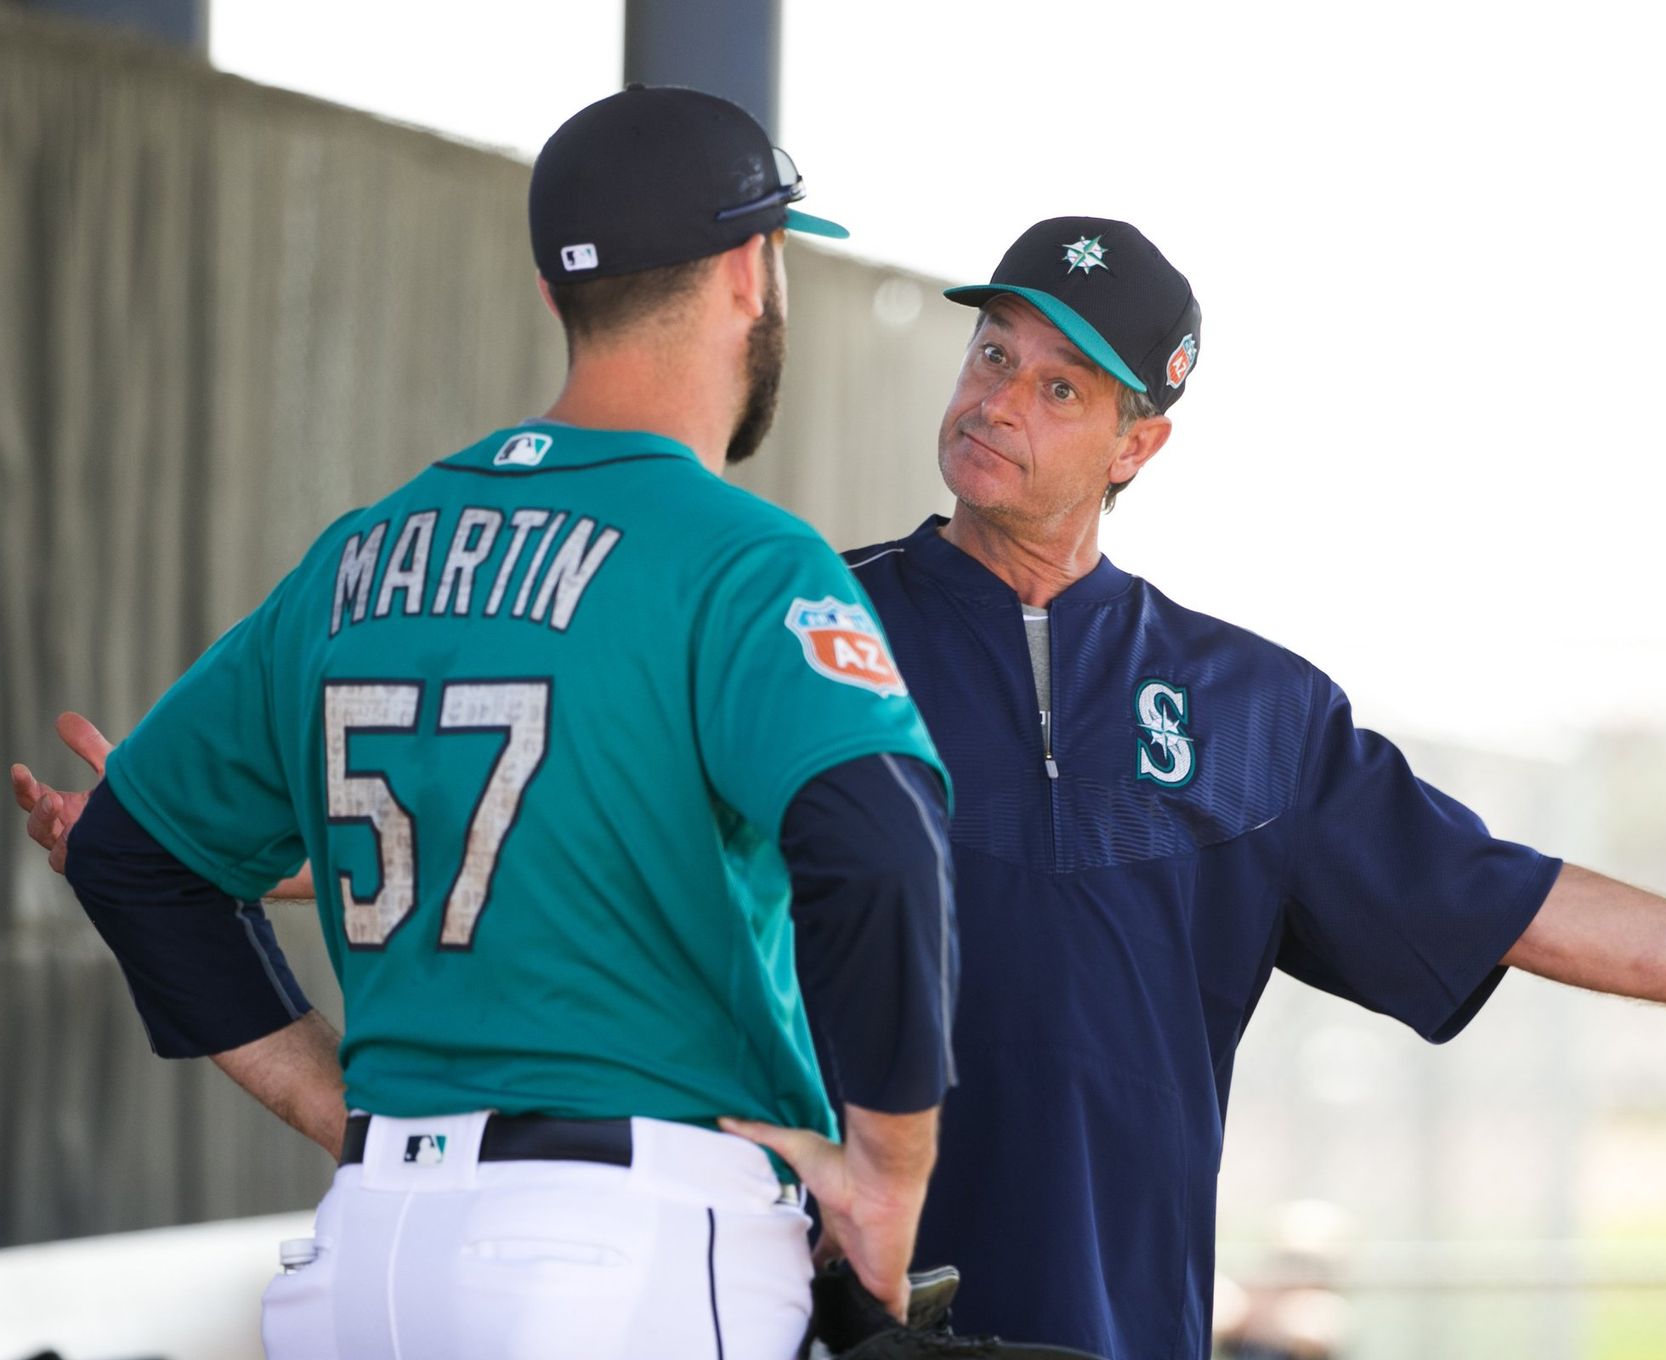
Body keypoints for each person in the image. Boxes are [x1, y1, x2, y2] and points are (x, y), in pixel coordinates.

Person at [18, 215, 1666, 1360]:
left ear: (1143, 440)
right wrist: (229, 868)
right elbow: (564, 851)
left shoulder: (1253, 707)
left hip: (1116, 1332)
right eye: (987, 350)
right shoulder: (794, 612)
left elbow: (1505, 896)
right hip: (809, 1304)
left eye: (1055, 378)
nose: (992, 397)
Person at [10, 86, 959, 1359]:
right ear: (751, 270)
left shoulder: (358, 557)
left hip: (366, 1260)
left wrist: (351, 1111)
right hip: (633, 1253)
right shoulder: (743, 559)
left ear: (550, 287)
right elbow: (884, 848)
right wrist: (887, 1180)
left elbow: (131, 855)